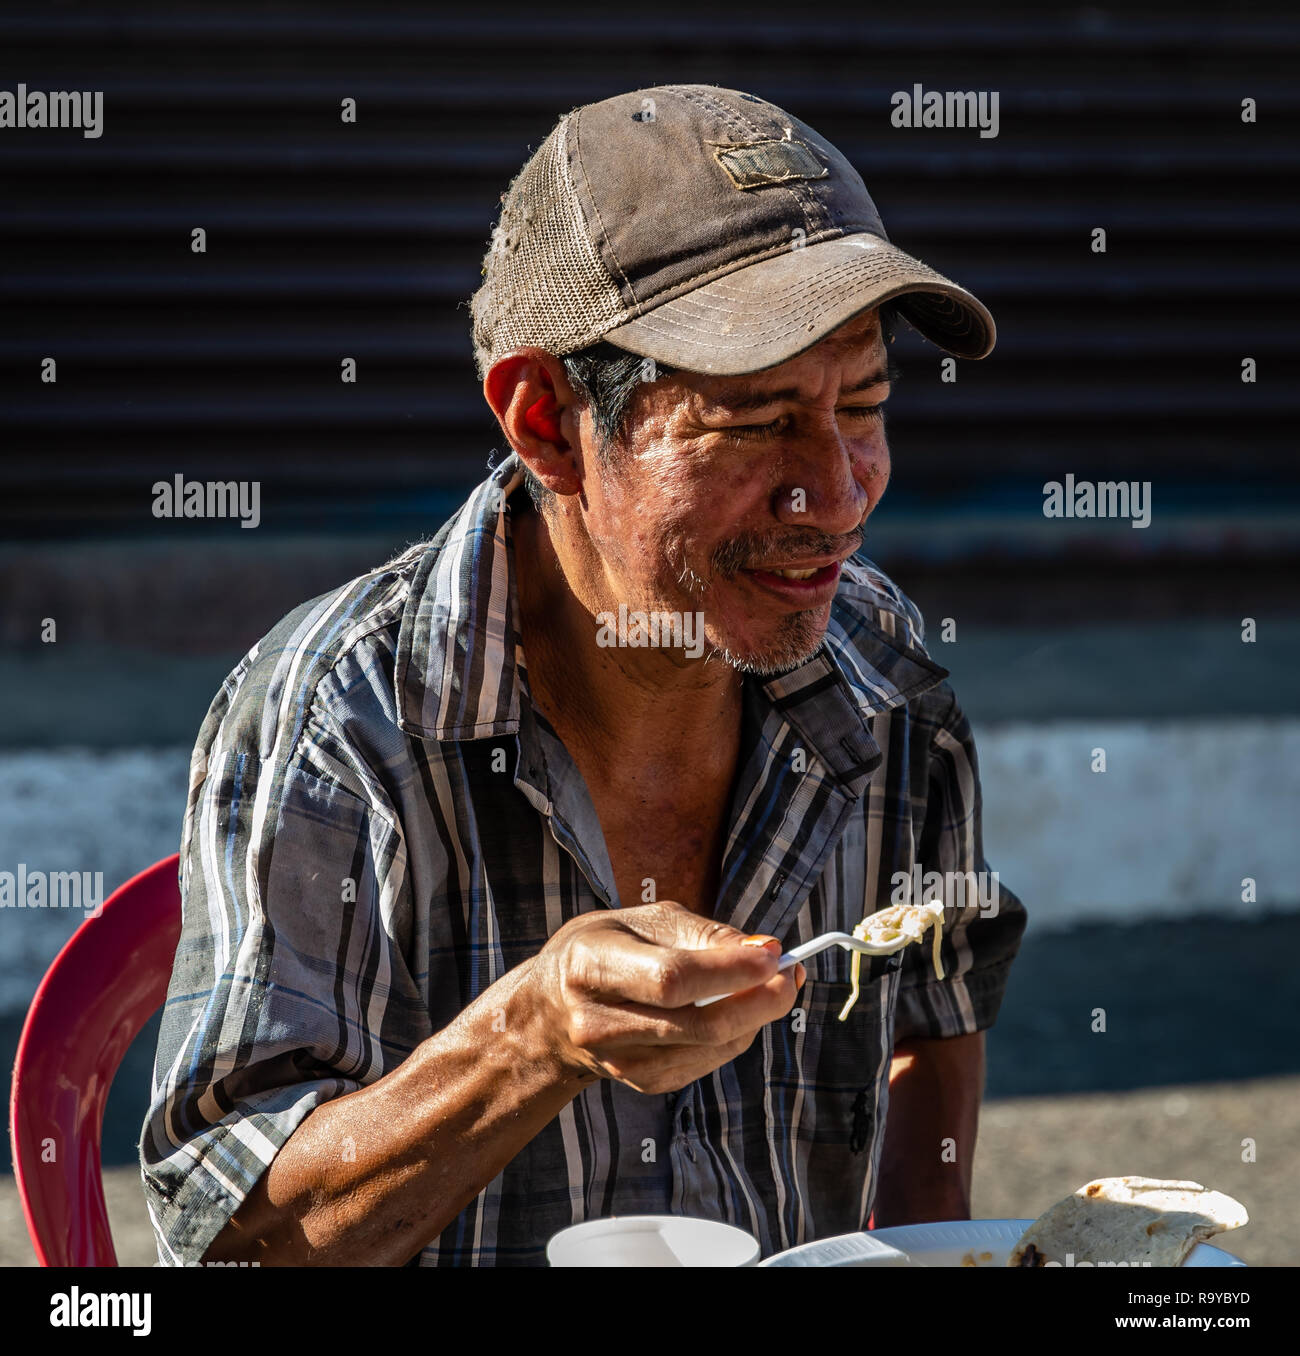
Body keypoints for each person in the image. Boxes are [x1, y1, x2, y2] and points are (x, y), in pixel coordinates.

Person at [141, 84, 1026, 1267]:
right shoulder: (340, 717)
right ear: (547, 421)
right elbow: (233, 1242)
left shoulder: (880, 675)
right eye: (755, 422)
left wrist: (927, 1251)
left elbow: (935, 995)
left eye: (860, 407)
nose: (837, 492)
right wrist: (528, 1035)